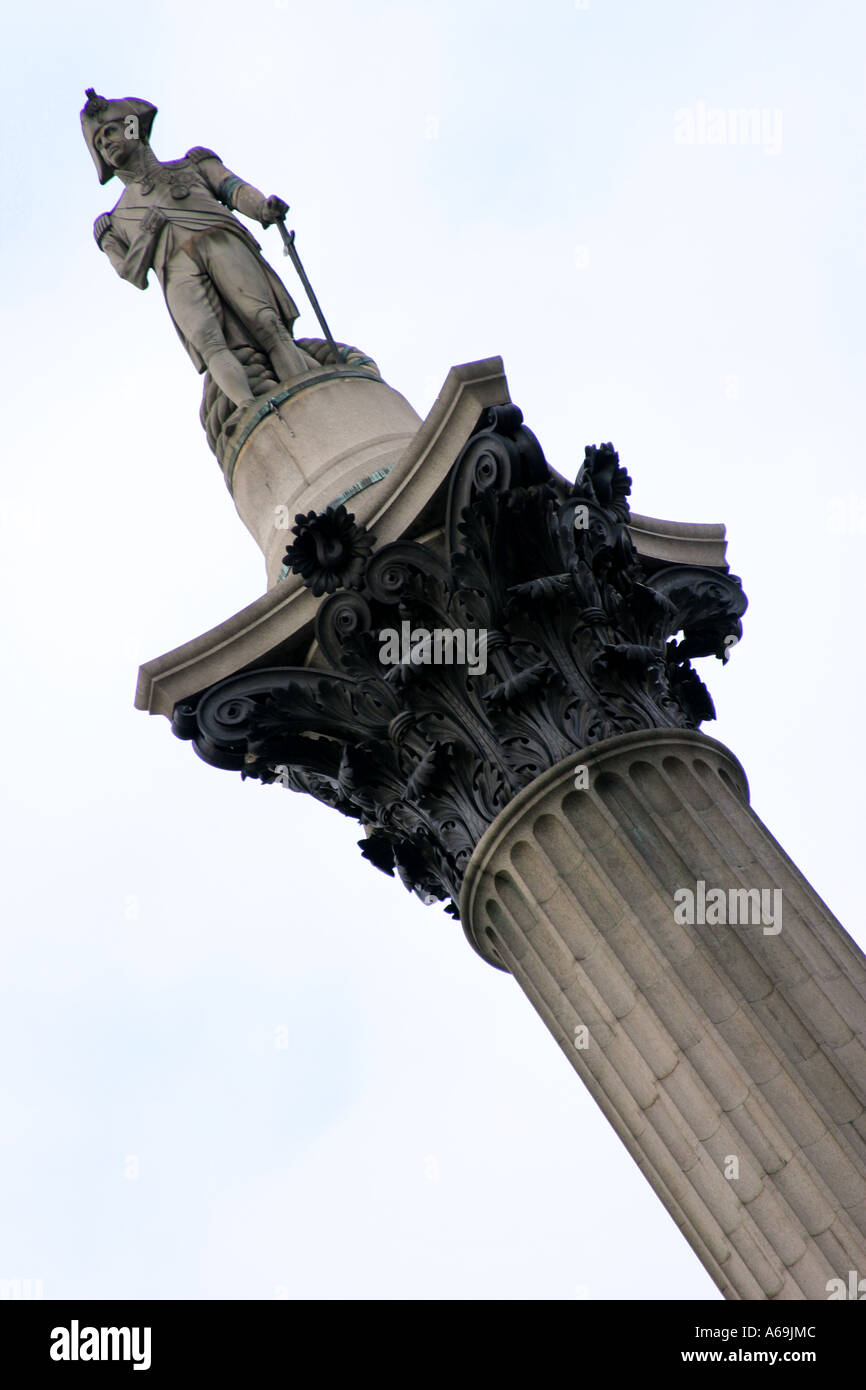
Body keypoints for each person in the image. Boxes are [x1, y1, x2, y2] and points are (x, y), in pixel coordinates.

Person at [80, 88, 313, 408]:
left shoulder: (193, 164)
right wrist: (148, 235)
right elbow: (131, 272)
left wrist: (262, 209)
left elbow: (233, 189)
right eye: (99, 142)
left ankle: (310, 399)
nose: (106, 142)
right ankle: (249, 409)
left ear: (133, 129)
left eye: (111, 131)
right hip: (175, 269)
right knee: (211, 343)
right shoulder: (114, 220)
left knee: (267, 323)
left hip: (221, 240)